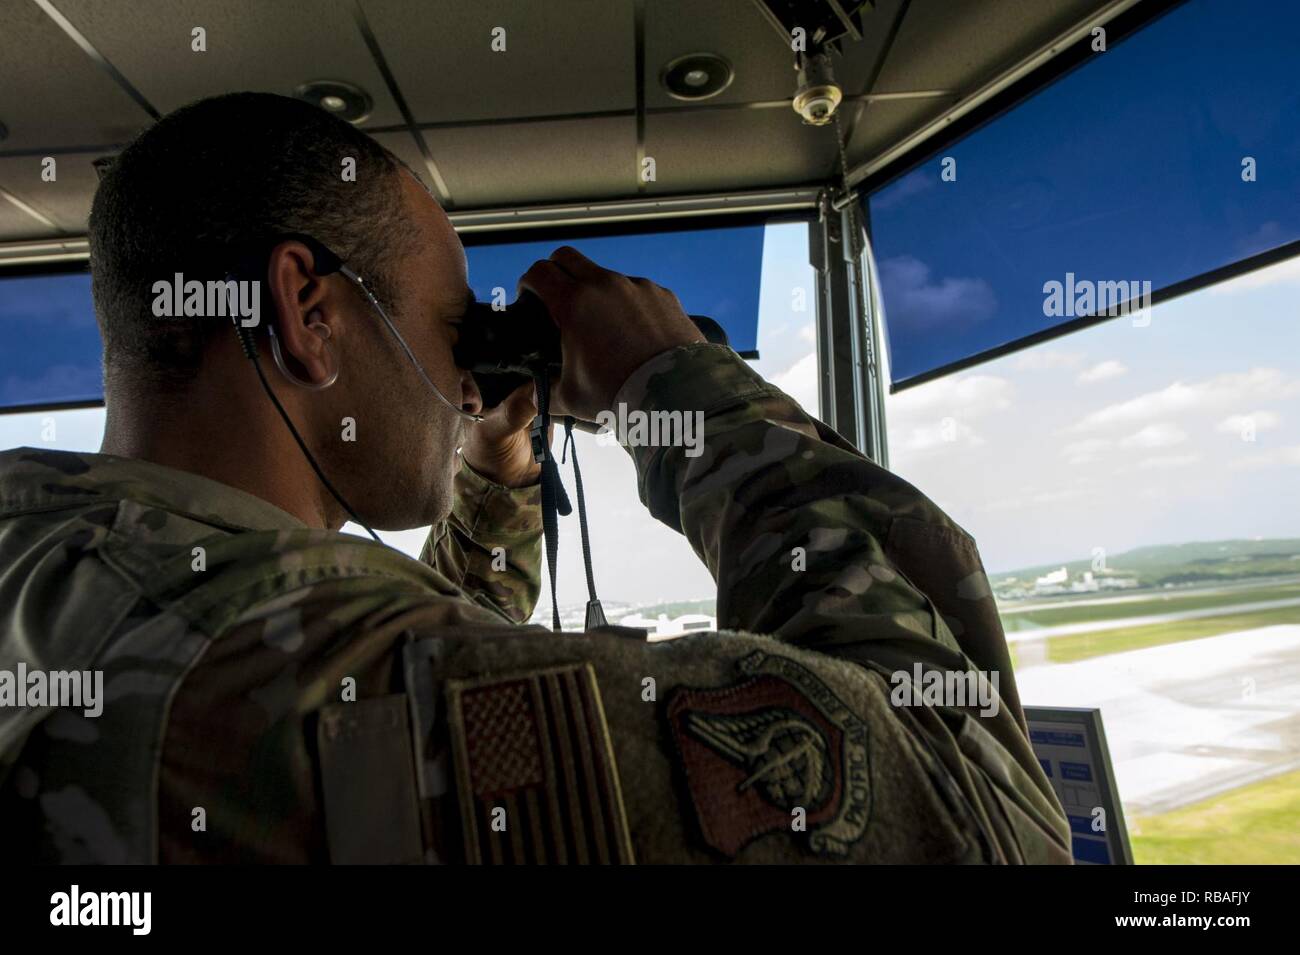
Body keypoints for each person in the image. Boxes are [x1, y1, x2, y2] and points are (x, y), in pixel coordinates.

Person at [0, 92, 1070, 864]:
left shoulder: (55, 573)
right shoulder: (296, 671)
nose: (464, 381)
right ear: (309, 316)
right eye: (452, 329)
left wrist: (497, 466)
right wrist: (676, 385)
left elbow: (409, 671)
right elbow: (977, 808)